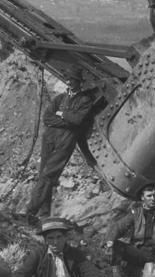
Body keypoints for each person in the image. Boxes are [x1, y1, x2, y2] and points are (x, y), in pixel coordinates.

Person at [22, 69, 104, 223]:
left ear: (79, 82)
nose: (69, 82)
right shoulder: (60, 98)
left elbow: (78, 120)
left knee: (49, 174)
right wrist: (66, 121)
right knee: (43, 175)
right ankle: (44, 213)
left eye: (72, 80)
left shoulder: (85, 100)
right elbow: (47, 118)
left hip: (66, 141)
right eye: (68, 79)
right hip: (50, 138)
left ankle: (30, 211)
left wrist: (62, 115)